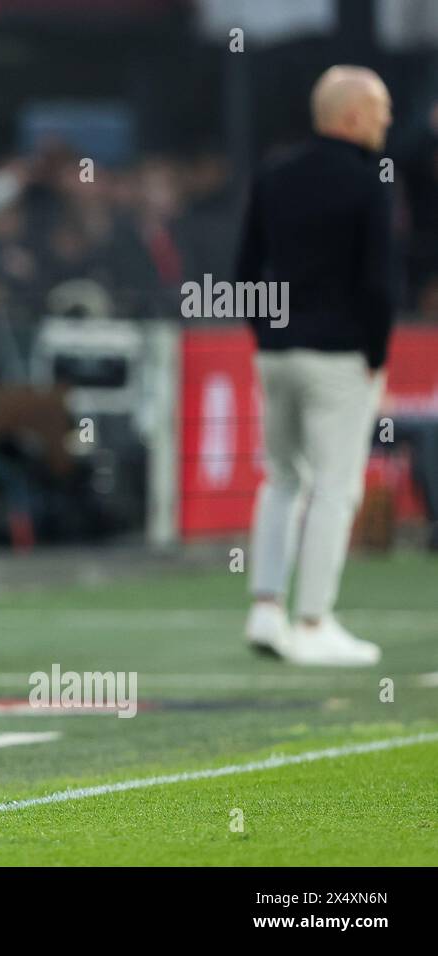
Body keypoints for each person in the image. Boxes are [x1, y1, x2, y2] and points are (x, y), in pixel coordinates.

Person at [237, 66, 395, 666]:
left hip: (276, 354)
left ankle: (266, 609)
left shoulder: (274, 173)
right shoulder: (367, 181)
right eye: (378, 109)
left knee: (281, 479)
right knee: (335, 486)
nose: (386, 119)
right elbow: (379, 284)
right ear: (351, 115)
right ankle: (312, 621)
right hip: (338, 356)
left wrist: (270, 336)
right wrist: (374, 358)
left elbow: (243, 271)